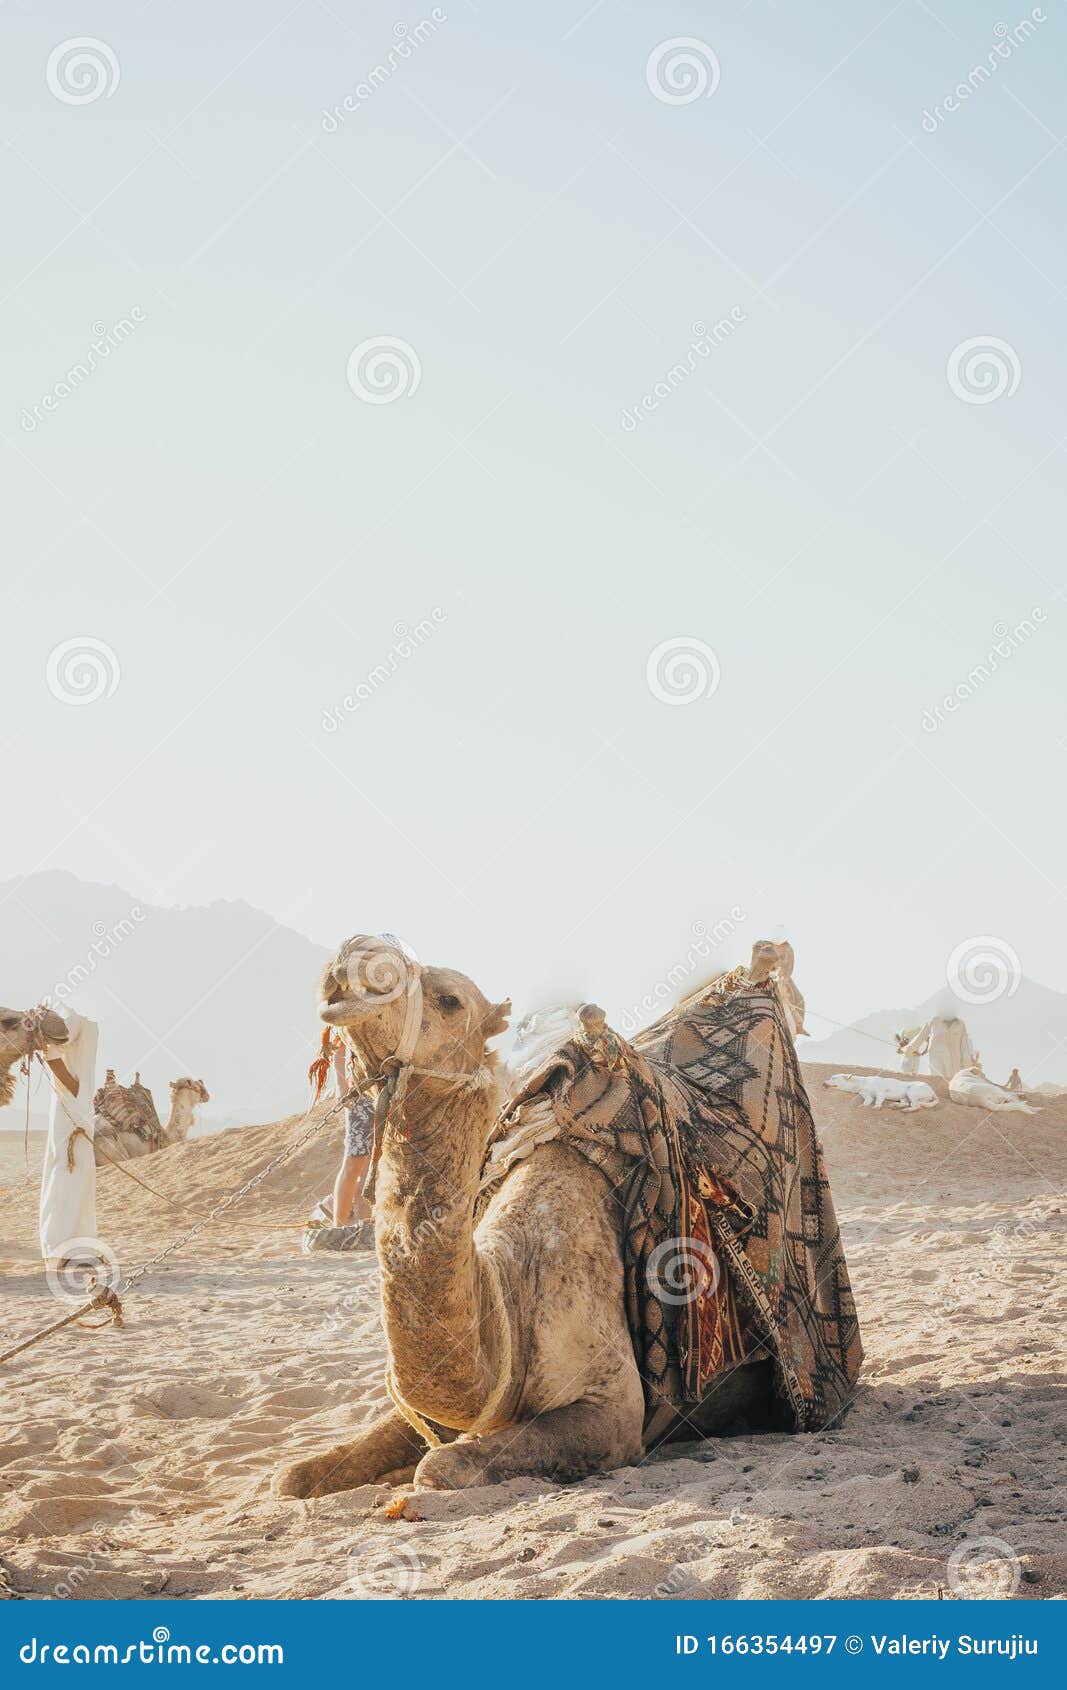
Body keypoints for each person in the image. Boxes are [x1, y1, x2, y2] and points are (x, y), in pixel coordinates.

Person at [38, 1010, 99, 1269]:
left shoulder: (84, 1014)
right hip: (71, 1106)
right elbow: (50, 1052)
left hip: (79, 1105)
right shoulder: (73, 1014)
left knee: (80, 1173)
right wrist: (74, 1090)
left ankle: (79, 1246)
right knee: (67, 1171)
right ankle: (59, 1249)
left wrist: (80, 1093)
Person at [331, 1041, 373, 1227]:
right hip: (361, 1094)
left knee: (377, 1161)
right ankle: (338, 1227)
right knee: (355, 1160)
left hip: (395, 1089)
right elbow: (338, 1048)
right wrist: (341, 1086)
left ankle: (366, 1222)